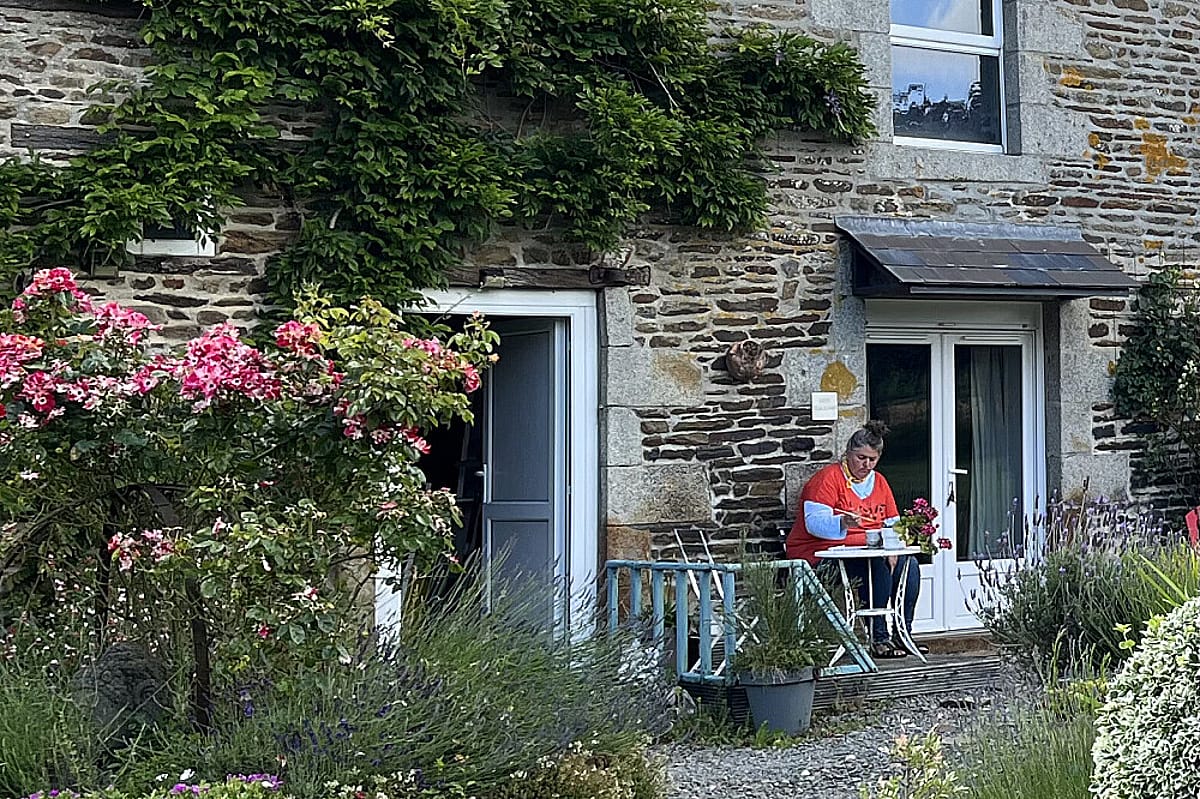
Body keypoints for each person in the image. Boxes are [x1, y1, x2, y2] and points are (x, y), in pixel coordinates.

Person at [785, 420, 921, 658]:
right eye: (860, 458)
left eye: (872, 459)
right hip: (821, 555)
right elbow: (813, 523)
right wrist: (841, 523)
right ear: (848, 454)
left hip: (867, 550)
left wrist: (895, 546)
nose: (866, 465)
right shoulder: (827, 479)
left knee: (909, 566)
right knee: (875, 565)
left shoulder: (879, 482)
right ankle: (879, 637)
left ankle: (903, 633)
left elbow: (892, 522)